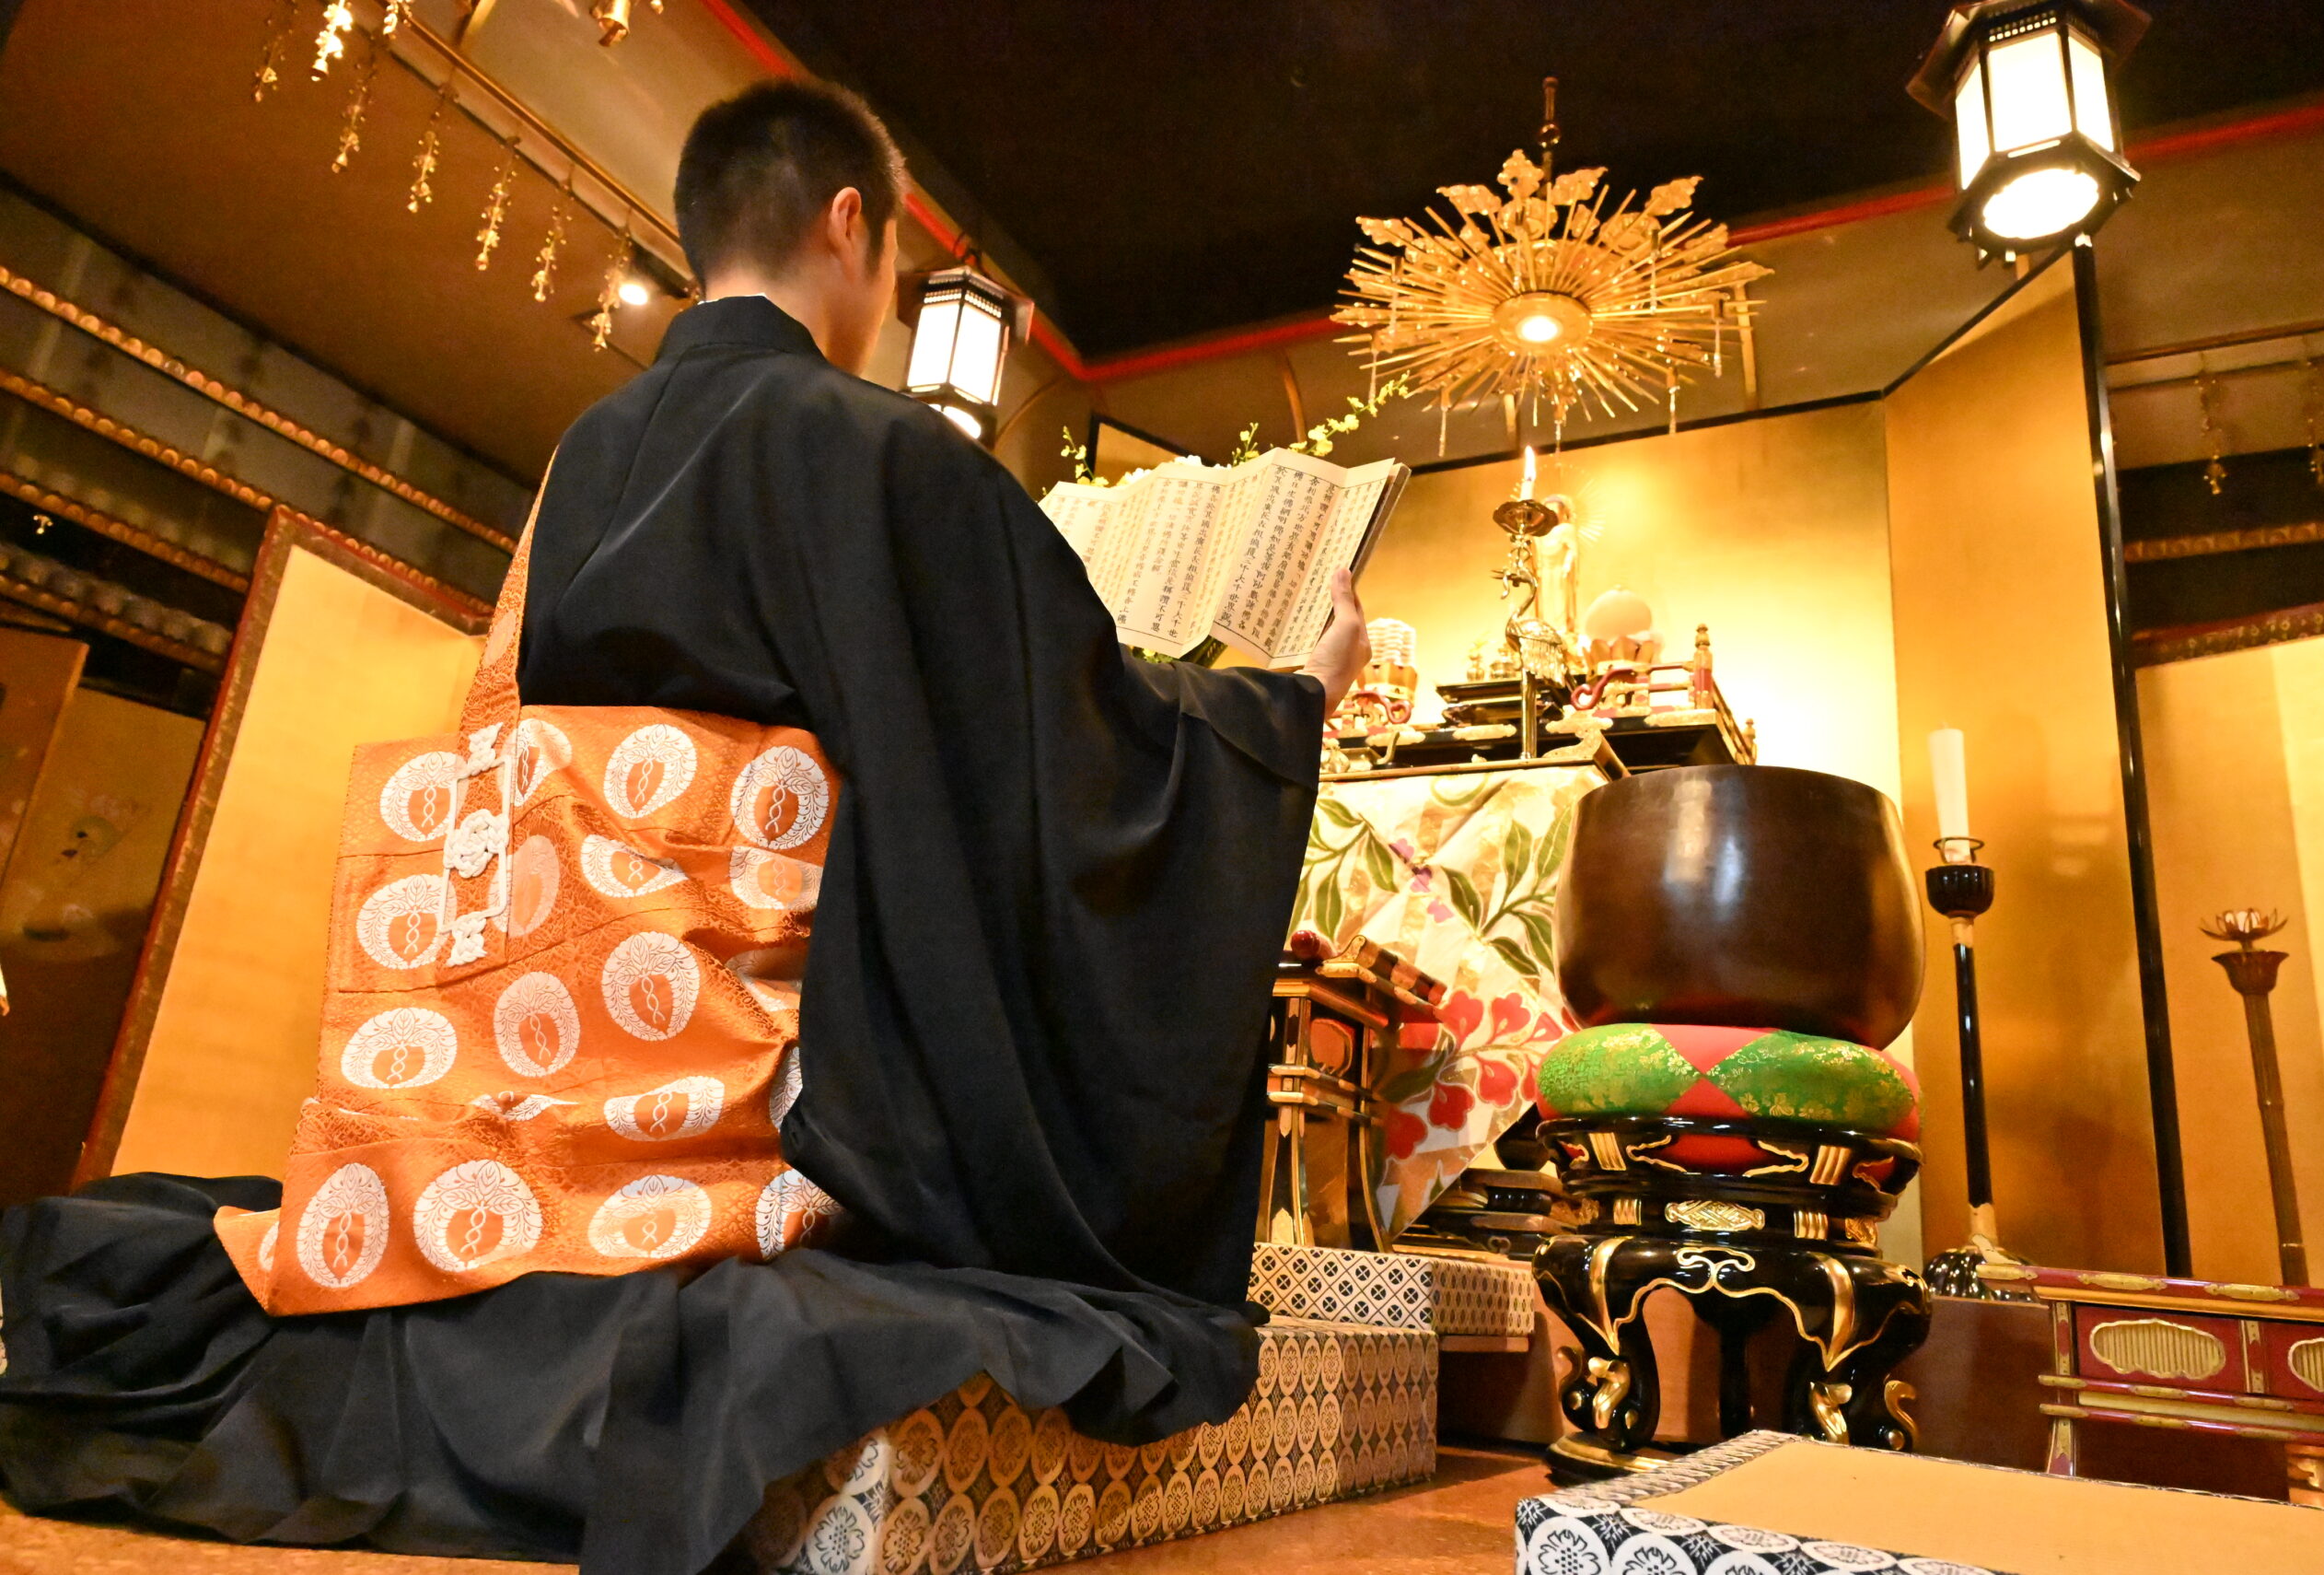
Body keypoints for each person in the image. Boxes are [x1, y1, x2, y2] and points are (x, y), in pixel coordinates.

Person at [0, 78, 1367, 1575]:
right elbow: (1056, 749)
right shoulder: (876, 450)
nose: (889, 304)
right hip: (744, 1094)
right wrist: (1285, 701)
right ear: (853, 225)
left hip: (539, 1057)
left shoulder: (584, 457)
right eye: (899, 273)